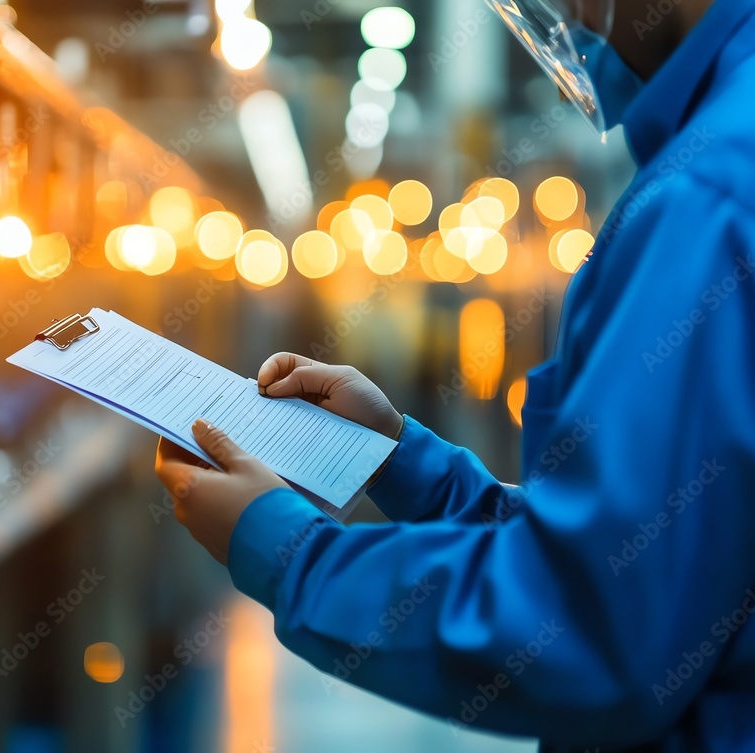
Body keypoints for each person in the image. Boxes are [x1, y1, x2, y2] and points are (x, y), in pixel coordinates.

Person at [155, 0, 755, 749]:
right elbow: (657, 550)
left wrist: (288, 550)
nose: (568, 15)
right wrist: (402, 459)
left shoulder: (704, 197)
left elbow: (589, 629)